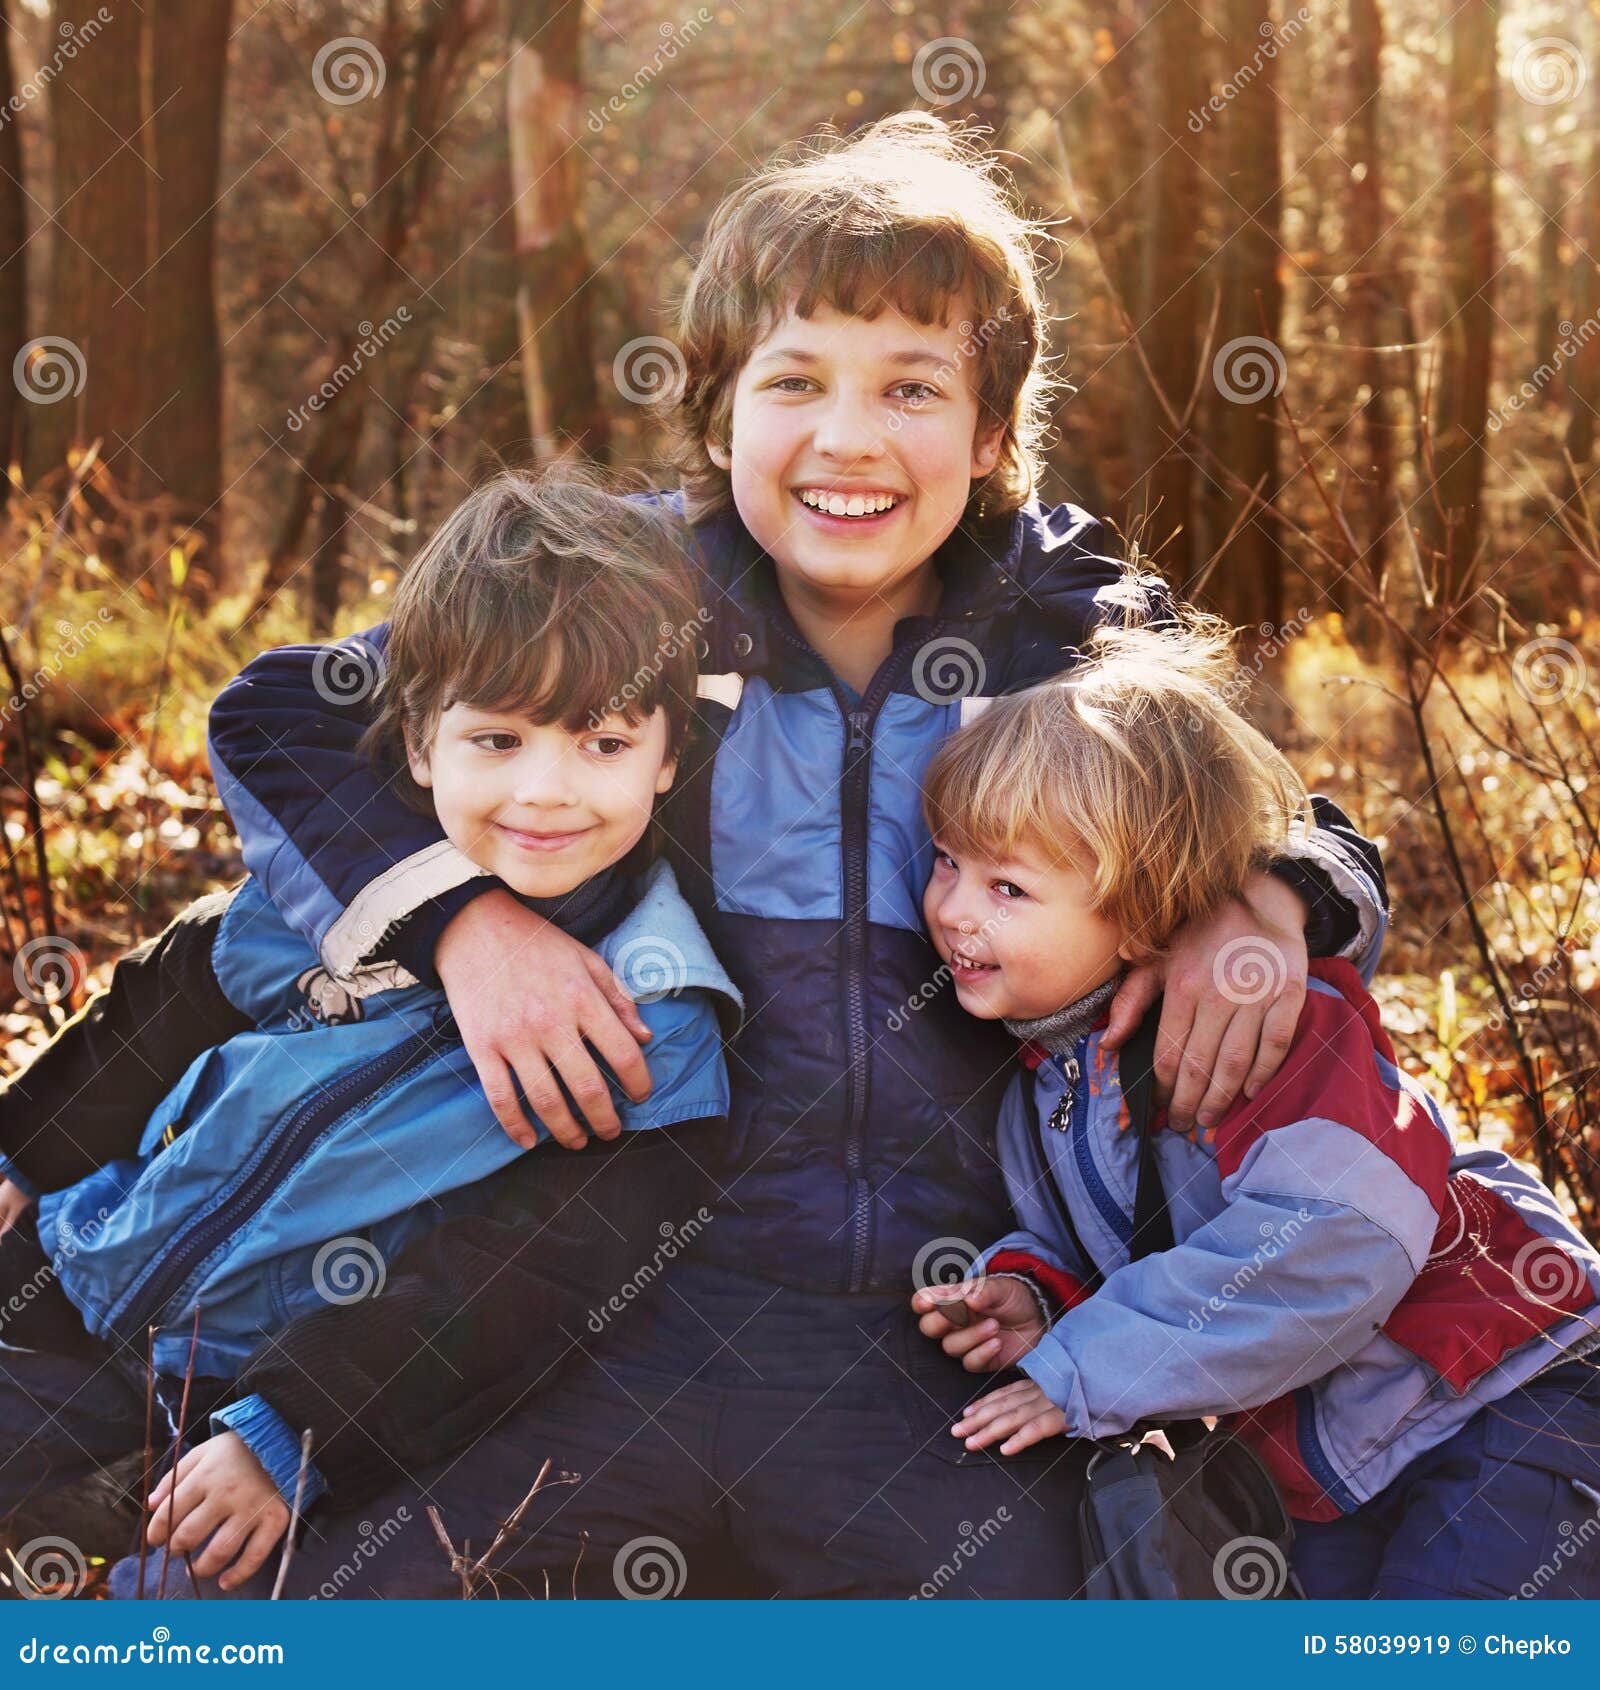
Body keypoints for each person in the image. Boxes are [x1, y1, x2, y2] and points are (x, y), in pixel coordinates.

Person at [153, 113, 1391, 1600]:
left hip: (939, 1332)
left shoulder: (1069, 640)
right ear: (718, 414)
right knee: (316, 1600)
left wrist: (1257, 897)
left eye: (914, 388)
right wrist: (476, 927)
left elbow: (1291, 821)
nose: (850, 438)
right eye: (793, 382)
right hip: (597, 1301)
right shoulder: (619, 598)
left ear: (995, 435)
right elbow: (284, 713)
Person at [0, 467, 737, 1595]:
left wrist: (295, 1427)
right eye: (496, 741)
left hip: (256, 1389)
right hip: (83, 1263)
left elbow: (514, 1278)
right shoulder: (340, 906)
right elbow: (160, 1003)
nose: (546, 792)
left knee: (145, 1601)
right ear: (416, 748)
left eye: (600, 743)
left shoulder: (652, 1025)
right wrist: (22, 1153)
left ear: (669, 756)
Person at [911, 617, 1600, 1601]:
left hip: (1499, 1387)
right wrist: (1040, 1294)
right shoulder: (1045, 1084)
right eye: (946, 861)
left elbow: (1336, 1243)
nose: (953, 910)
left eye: (1007, 886)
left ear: (1143, 907)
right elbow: (1145, 1245)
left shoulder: (1256, 1033)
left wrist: (1087, 1369)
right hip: (1342, 1460)